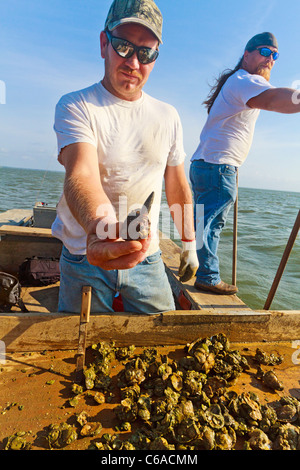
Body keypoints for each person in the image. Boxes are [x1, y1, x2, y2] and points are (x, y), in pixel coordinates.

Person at [52, 0, 199, 314]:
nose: (134, 62)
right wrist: (102, 230)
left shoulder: (168, 116)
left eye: (145, 53)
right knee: (80, 350)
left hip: (147, 258)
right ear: (104, 43)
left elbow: (176, 185)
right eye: (123, 47)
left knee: (165, 340)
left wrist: (189, 244)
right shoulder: (76, 106)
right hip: (84, 255)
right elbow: (82, 175)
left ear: (155, 58)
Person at [190, 32, 300, 295]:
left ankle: (199, 267)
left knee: (205, 222)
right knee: (211, 224)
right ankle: (207, 275)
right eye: (265, 52)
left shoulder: (238, 82)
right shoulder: (244, 81)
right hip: (218, 166)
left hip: (208, 163)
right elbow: (274, 99)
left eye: (275, 55)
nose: (270, 59)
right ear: (246, 55)